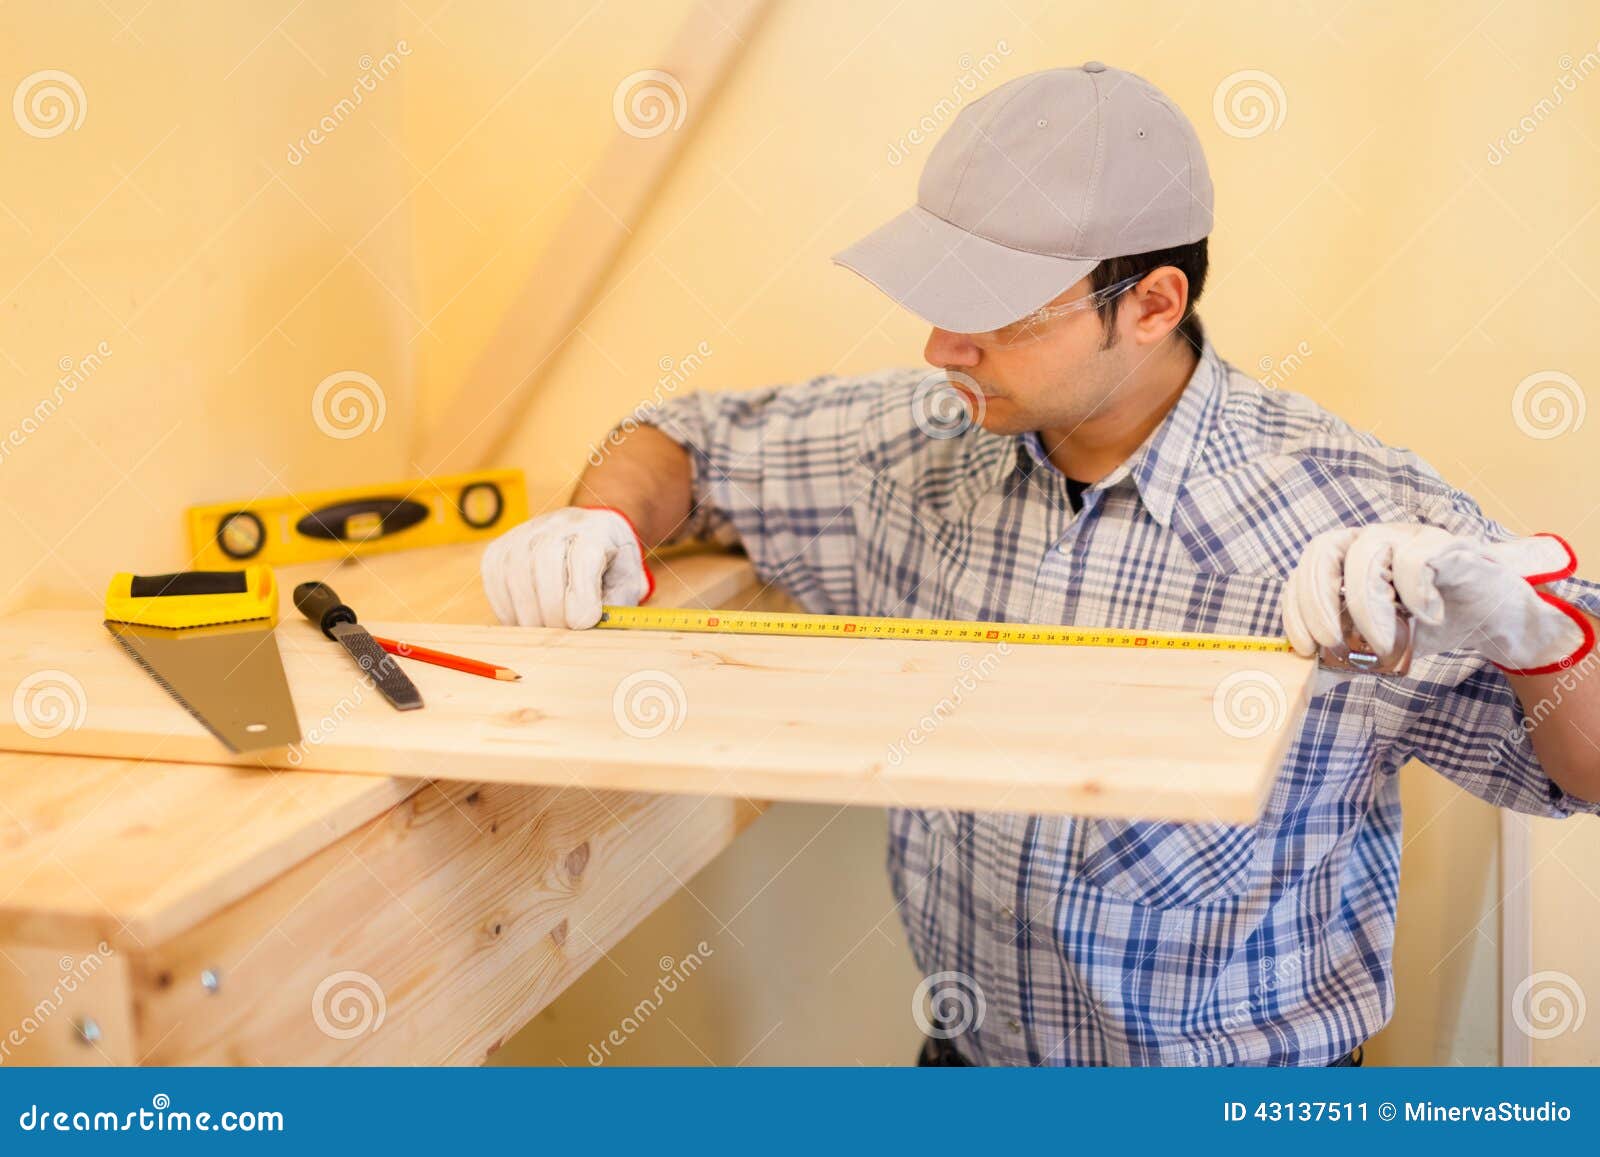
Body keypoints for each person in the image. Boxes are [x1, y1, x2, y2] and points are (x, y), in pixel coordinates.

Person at [480, 64, 1600, 1066]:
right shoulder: (913, 449)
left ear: (1153, 304)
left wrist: (1541, 639)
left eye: (991, 314)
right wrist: (607, 523)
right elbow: (681, 440)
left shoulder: (1355, 518)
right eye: (935, 302)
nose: (938, 349)